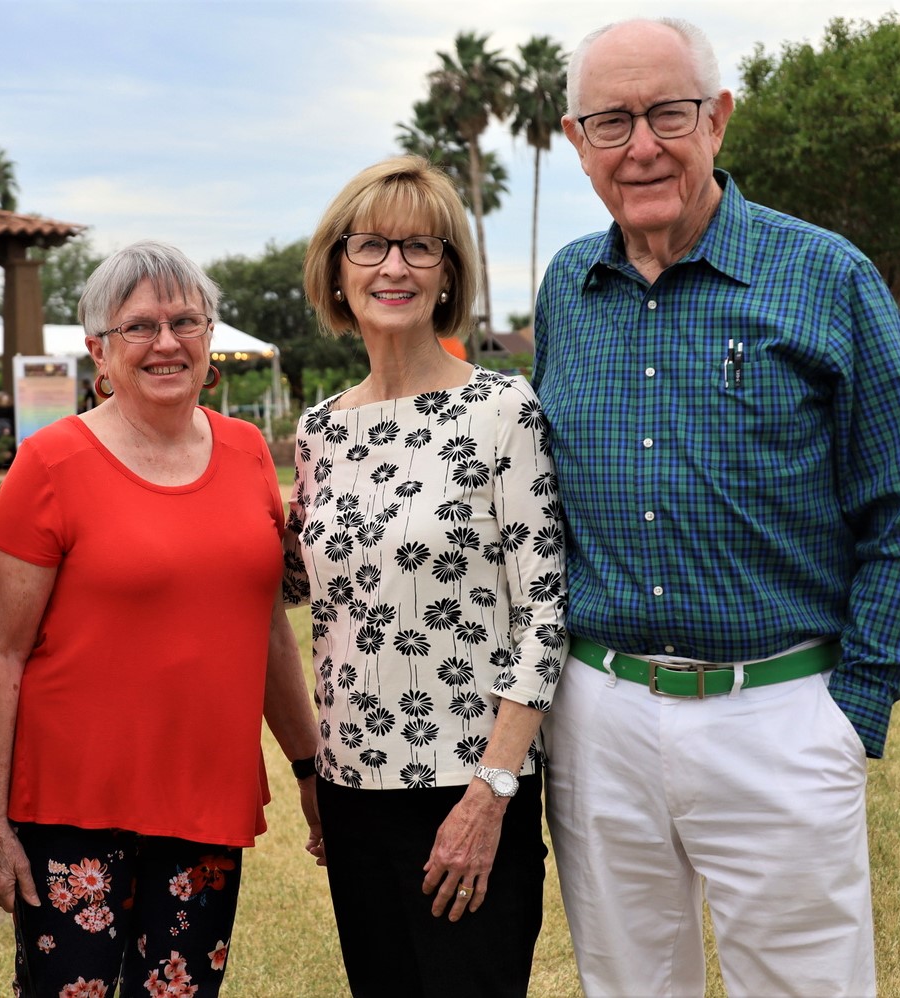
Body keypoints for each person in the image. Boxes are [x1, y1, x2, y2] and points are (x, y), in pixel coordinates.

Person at [532, 18, 900, 997]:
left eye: (668, 111)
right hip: (598, 717)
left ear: (719, 118)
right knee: (626, 985)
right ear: (576, 141)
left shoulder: (826, 276)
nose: (642, 144)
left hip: (778, 712)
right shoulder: (565, 287)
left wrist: (853, 709)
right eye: (611, 121)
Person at [0, 240, 321, 997]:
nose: (166, 342)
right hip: (70, 807)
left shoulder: (250, 450)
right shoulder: (52, 462)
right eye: (139, 327)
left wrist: (306, 765)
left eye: (185, 321)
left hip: (205, 798)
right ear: (98, 348)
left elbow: (265, 634)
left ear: (209, 338)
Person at [284, 155, 568, 998]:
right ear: (338, 268)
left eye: (419, 247)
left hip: (469, 786)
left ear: (449, 273)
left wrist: (491, 792)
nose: (394, 267)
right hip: (352, 794)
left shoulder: (500, 409)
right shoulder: (317, 434)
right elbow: (296, 591)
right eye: (370, 245)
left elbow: (545, 613)